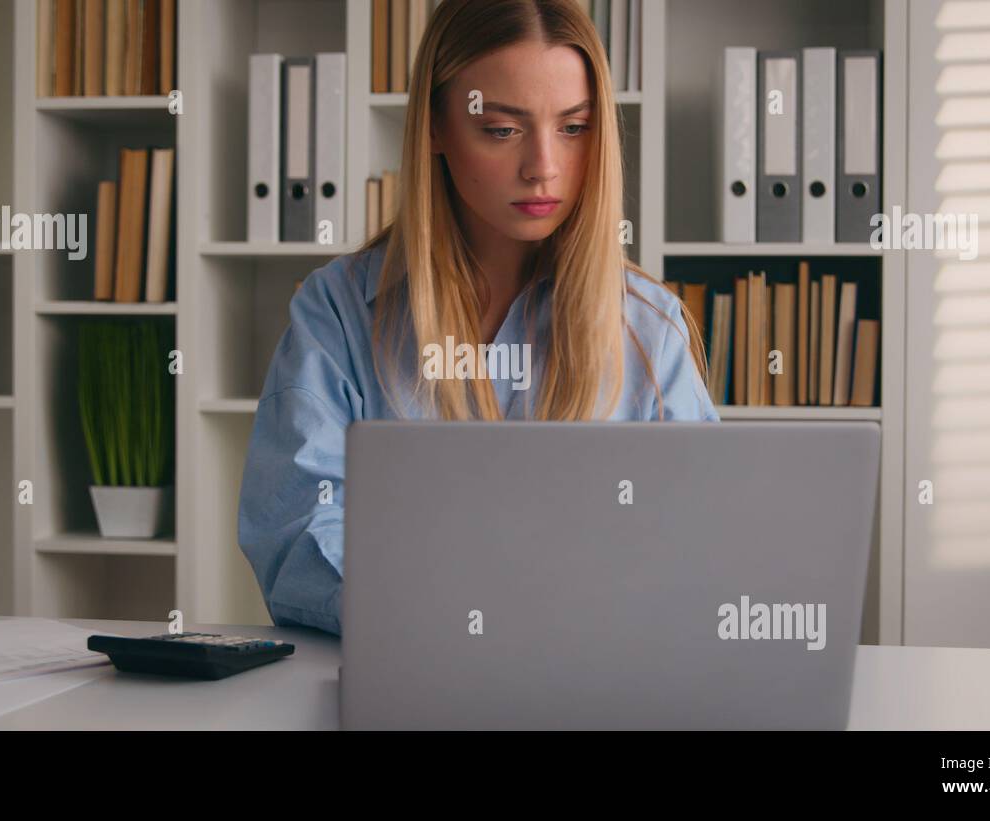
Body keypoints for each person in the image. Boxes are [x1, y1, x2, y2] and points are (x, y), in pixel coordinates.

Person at [238, 0, 719, 636]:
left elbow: (700, 543)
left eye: (573, 128)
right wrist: (441, 617)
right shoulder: (338, 312)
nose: (544, 166)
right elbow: (298, 530)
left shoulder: (650, 327)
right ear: (435, 126)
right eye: (501, 129)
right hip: (409, 675)